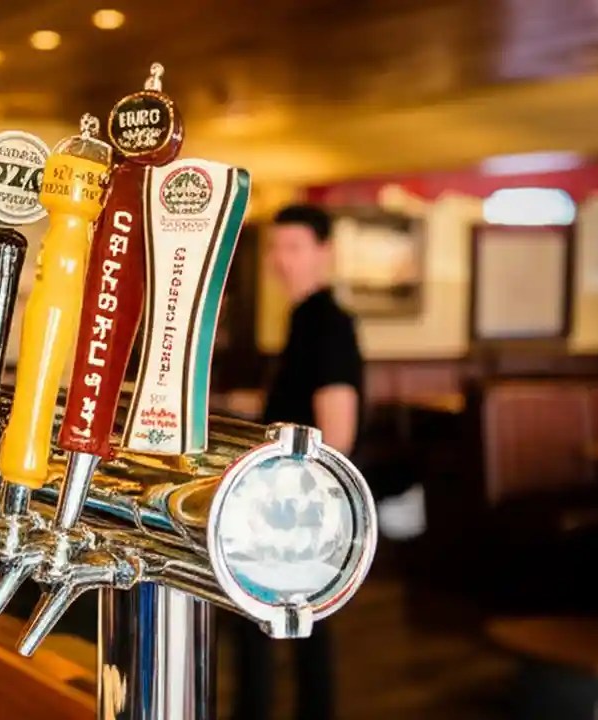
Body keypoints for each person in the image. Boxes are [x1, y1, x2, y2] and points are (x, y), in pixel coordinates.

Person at [232, 203, 364, 720]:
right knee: (298, 628)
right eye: (274, 247)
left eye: (293, 247)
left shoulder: (328, 323)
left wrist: (306, 513)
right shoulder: (306, 318)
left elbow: (339, 432)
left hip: (297, 510)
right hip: (292, 506)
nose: (280, 260)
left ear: (324, 252)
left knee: (266, 624)